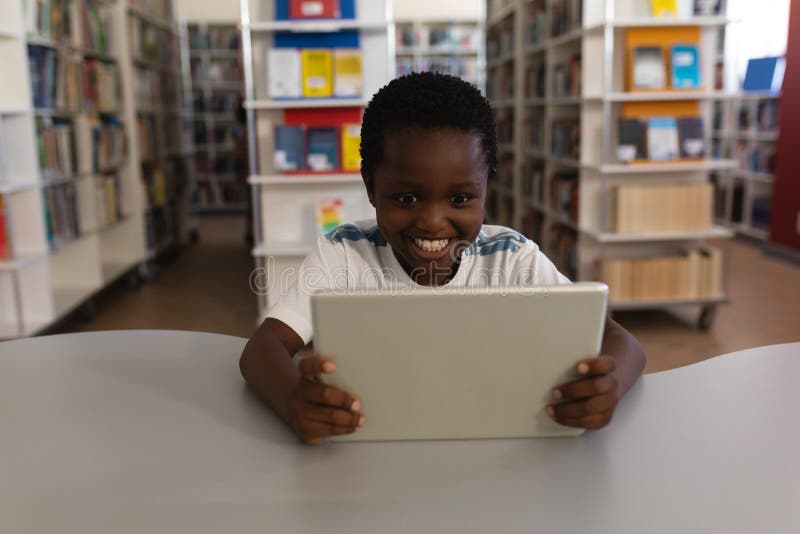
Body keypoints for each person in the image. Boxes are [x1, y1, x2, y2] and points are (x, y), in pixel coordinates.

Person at [239, 72, 646, 444]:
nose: (433, 222)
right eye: (406, 198)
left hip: (494, 451)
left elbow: (622, 342)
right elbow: (262, 349)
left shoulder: (512, 258)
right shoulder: (344, 253)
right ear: (371, 187)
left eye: (460, 199)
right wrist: (295, 402)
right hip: (368, 452)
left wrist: (608, 386)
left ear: (486, 189)